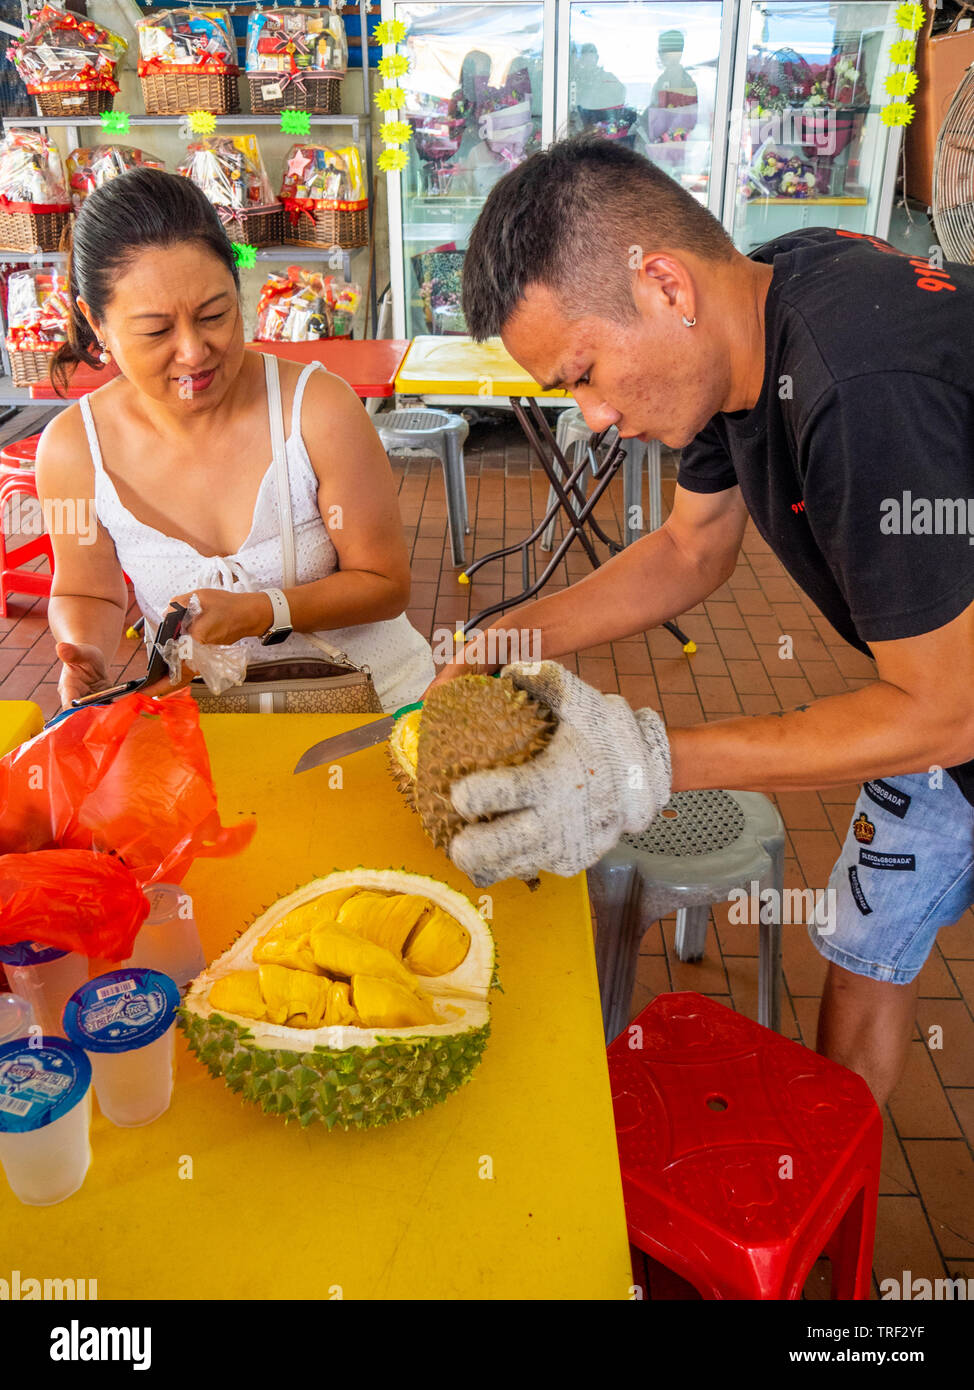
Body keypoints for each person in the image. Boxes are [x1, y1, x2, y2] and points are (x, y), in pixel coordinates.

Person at [432, 136, 974, 1108]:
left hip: (945, 694)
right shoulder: (758, 309)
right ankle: (827, 1188)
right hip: (944, 674)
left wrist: (638, 763)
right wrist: (503, 639)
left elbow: (941, 713)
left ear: (663, 286)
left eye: (585, 371)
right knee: (860, 942)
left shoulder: (858, 395)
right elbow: (690, 548)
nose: (591, 415)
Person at [37, 168, 434, 713]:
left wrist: (263, 609)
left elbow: (385, 583)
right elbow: (87, 591)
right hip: (210, 732)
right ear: (96, 323)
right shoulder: (72, 449)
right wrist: (84, 650)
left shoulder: (318, 409)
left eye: (215, 315)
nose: (195, 352)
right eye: (156, 331)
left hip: (379, 707)